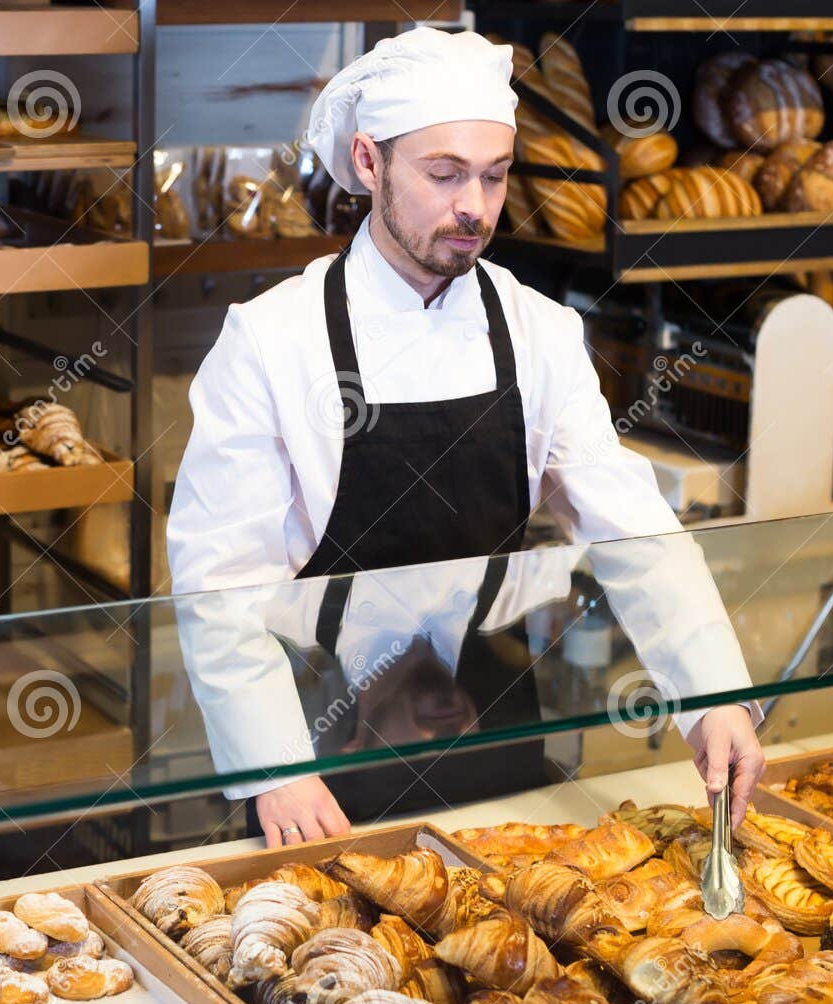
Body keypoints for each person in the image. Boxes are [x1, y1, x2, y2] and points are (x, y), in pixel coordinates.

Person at [166, 28, 764, 848]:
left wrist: (712, 692)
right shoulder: (274, 341)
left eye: (494, 175)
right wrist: (276, 767)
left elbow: (631, 526)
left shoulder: (539, 332)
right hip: (325, 745)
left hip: (496, 726)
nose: (475, 208)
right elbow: (218, 581)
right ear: (370, 163)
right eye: (444, 175)